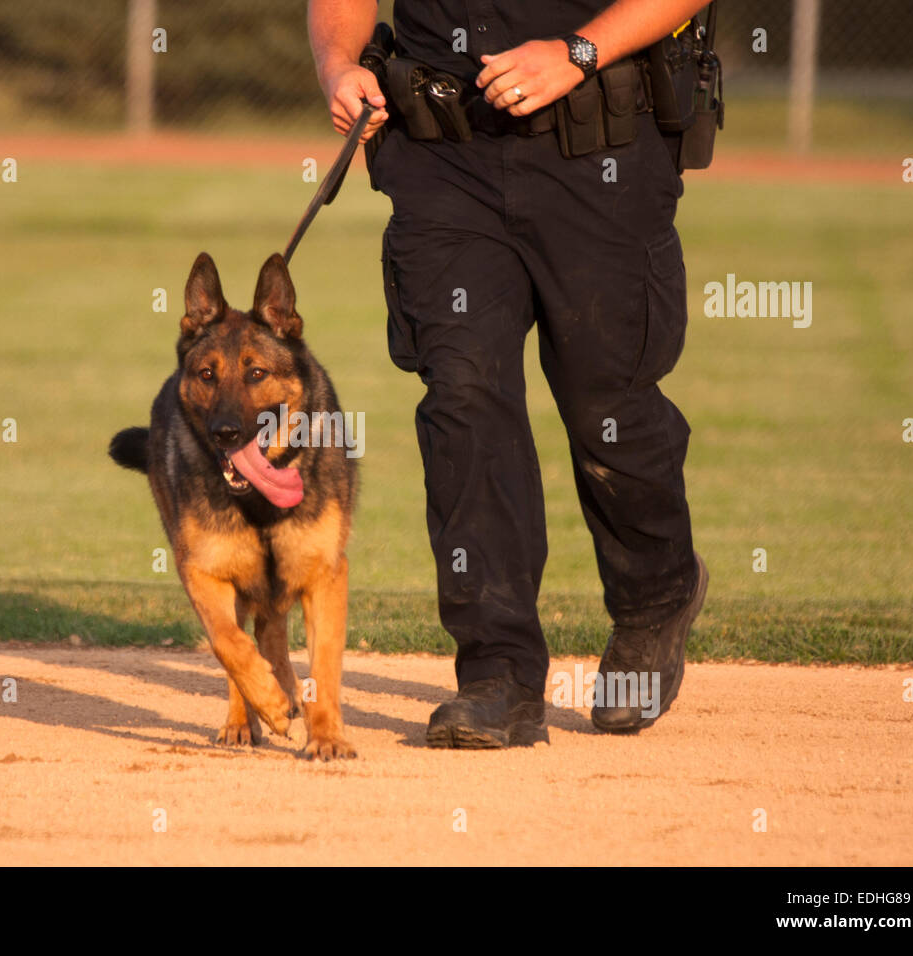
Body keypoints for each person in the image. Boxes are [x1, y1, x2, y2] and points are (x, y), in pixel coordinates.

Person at [309, 0, 712, 747]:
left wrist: (577, 52)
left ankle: (656, 596)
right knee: (465, 394)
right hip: (443, 162)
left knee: (606, 404)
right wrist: (339, 66)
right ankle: (499, 674)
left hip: (602, 149)